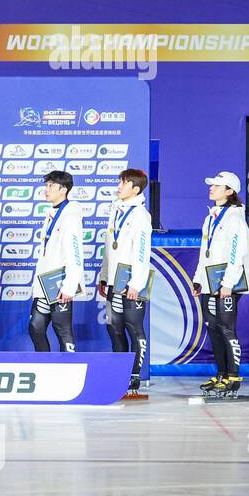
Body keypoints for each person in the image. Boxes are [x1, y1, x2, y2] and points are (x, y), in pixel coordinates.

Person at [191, 171, 249, 396]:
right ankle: (222, 374)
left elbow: (237, 254)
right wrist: (198, 280)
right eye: (212, 185)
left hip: (227, 284)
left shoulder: (235, 218)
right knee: (213, 329)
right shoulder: (210, 217)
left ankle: (234, 377)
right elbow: (204, 254)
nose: (212, 188)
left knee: (227, 329)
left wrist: (228, 283)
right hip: (209, 282)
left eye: (217, 185)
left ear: (229, 191)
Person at [97, 168, 152, 394]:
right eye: (119, 182)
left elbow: (142, 251)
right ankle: (120, 372)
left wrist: (137, 283)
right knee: (115, 327)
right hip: (113, 281)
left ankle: (134, 376)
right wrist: (104, 276)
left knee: (134, 328)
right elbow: (110, 248)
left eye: (123, 183)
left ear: (135, 189)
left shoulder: (140, 215)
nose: (118, 186)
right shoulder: (116, 209)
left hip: (132, 282)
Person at [28, 171, 83, 353]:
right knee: (35, 327)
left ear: (63, 189)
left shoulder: (70, 216)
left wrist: (69, 286)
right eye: (46, 185)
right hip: (45, 284)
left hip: (60, 286)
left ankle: (70, 372)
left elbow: (75, 255)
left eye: (51, 186)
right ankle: (44, 367)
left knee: (63, 331)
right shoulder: (52, 213)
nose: (46, 190)